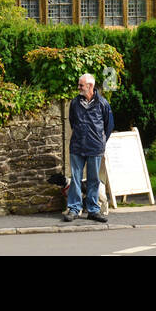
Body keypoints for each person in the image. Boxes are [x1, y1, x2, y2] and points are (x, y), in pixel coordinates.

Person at [64, 72, 114, 223]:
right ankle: (74, 209)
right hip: (77, 146)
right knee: (76, 179)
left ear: (90, 86)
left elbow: (109, 125)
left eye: (81, 85)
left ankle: (93, 210)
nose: (78, 87)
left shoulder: (103, 103)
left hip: (95, 147)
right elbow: (73, 122)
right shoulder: (74, 103)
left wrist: (100, 141)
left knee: (94, 179)